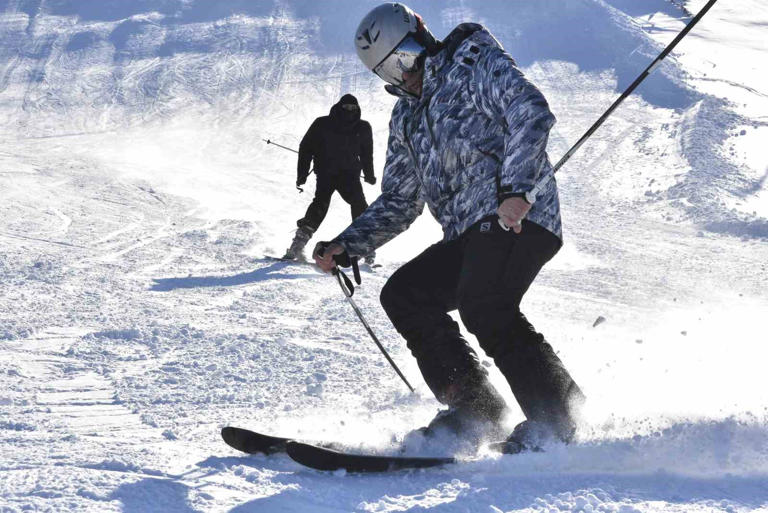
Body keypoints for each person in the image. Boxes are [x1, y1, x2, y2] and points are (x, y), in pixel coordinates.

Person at [314, 3, 585, 452]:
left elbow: (530, 109)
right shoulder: (406, 117)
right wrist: (348, 245)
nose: (405, 75)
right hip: (467, 235)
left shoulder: (471, 60)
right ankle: (477, 410)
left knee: (485, 305)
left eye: (405, 58)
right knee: (405, 294)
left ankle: (557, 421)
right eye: (390, 71)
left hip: (518, 216)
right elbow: (401, 200)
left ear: (421, 34)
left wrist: (517, 189)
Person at [283, 94, 377, 263]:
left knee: (360, 205)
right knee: (320, 205)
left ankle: (367, 249)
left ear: (357, 109)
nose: (349, 110)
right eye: (346, 107)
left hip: (350, 176)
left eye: (353, 108)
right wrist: (302, 173)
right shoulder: (322, 123)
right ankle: (297, 246)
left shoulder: (363, 127)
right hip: (326, 173)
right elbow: (306, 148)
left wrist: (369, 174)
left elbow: (366, 153)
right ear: (339, 107)